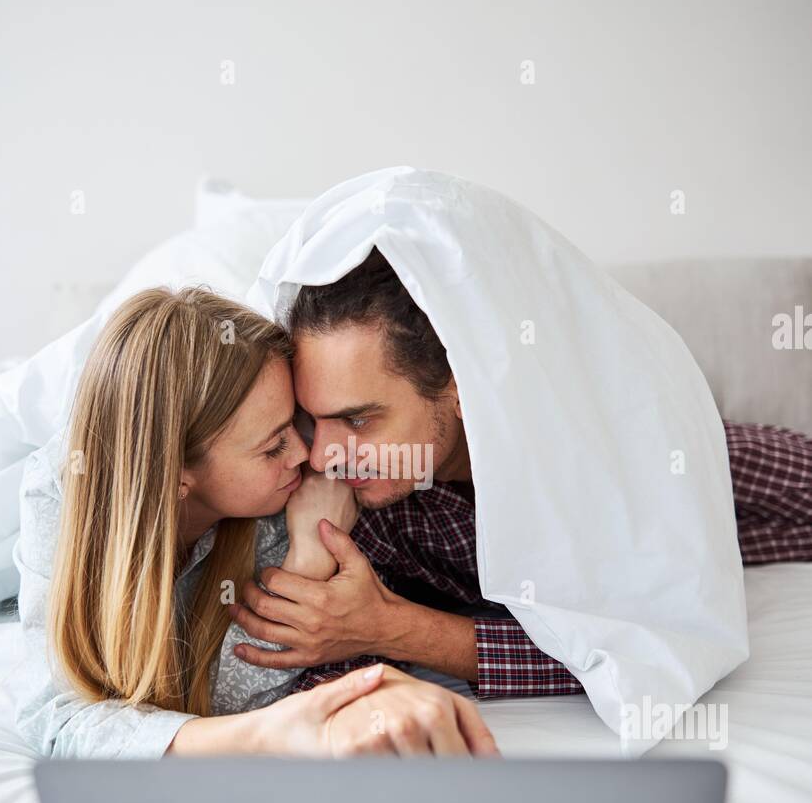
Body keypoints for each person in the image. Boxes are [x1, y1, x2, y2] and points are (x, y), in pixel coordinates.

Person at [227, 248, 812, 698]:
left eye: (357, 419)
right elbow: (289, 684)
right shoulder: (355, 503)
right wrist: (312, 562)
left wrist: (398, 628)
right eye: (312, 420)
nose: (322, 456)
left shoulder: (603, 442)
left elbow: (652, 648)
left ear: (460, 388)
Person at [11, 286, 499, 760]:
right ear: (178, 475)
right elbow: (60, 720)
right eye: (274, 446)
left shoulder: (296, 492)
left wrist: (308, 558)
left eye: (298, 423)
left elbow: (229, 696)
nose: (312, 455)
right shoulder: (62, 489)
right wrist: (271, 733)